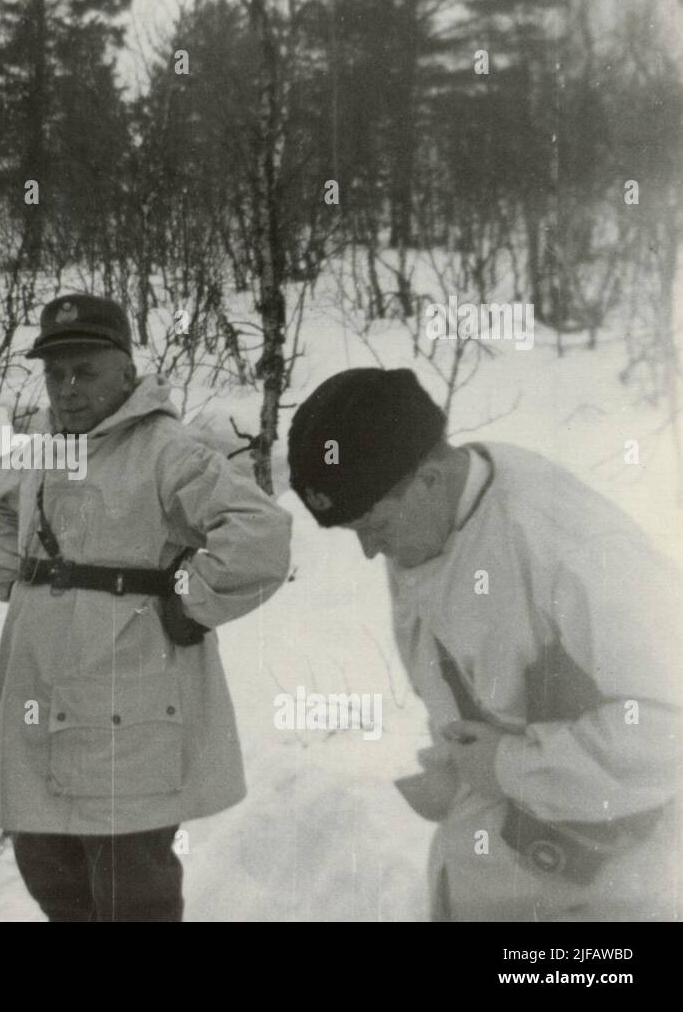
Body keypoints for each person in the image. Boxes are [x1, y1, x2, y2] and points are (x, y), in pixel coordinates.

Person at [287, 366, 682, 920]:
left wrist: (508, 767)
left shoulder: (572, 545)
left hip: (597, 900)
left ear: (429, 478)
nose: (370, 552)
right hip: (497, 868)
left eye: (373, 526)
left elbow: (668, 731)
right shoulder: (425, 524)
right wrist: (458, 766)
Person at [0, 293, 292, 921]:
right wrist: (19, 580)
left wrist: (189, 602)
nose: (66, 389)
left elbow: (260, 534)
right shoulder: (42, 439)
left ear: (125, 371)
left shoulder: (165, 449)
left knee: (129, 881)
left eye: (84, 372)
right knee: (46, 861)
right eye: (54, 373)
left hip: (129, 698)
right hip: (39, 685)